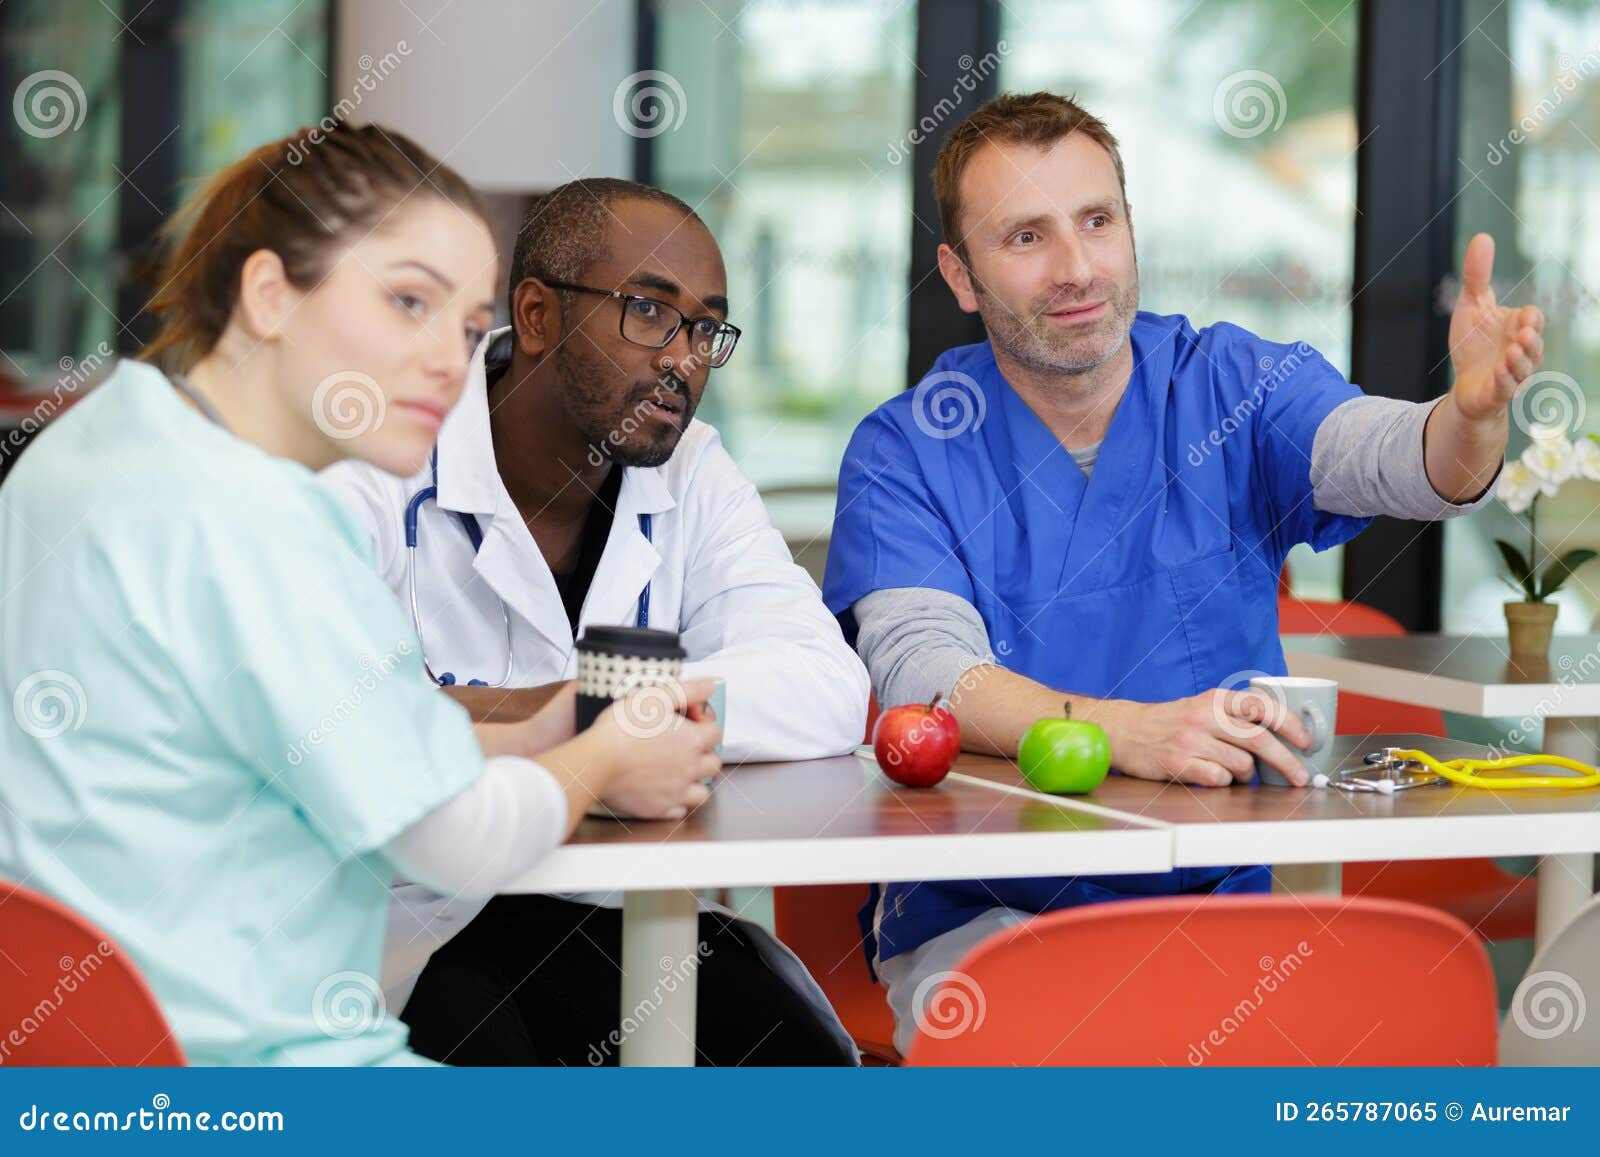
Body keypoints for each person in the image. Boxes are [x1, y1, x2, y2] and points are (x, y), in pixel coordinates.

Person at [822, 92, 1546, 1055]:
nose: (1078, 269)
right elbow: (925, 671)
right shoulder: (907, 449)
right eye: (1026, 237)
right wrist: (1132, 733)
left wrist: (1470, 419)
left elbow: (1386, 455)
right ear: (961, 273)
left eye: (1097, 220)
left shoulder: (1229, 385)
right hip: (989, 920)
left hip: (1226, 903)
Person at [0, 125, 719, 1066]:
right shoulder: (265, 520)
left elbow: (344, 753)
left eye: (467, 329)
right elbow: (455, 841)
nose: (447, 361)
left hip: (77, 1063)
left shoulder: (92, 448)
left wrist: (554, 727)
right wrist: (604, 759)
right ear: (268, 295)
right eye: (406, 300)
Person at [320, 178, 868, 1065]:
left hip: (607, 909)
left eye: (704, 328)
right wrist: (592, 728)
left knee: (797, 1055)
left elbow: (827, 684)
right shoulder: (381, 457)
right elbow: (345, 713)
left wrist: (614, 719)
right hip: (404, 920)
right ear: (535, 315)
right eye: (650, 311)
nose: (684, 358)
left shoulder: (690, 470)